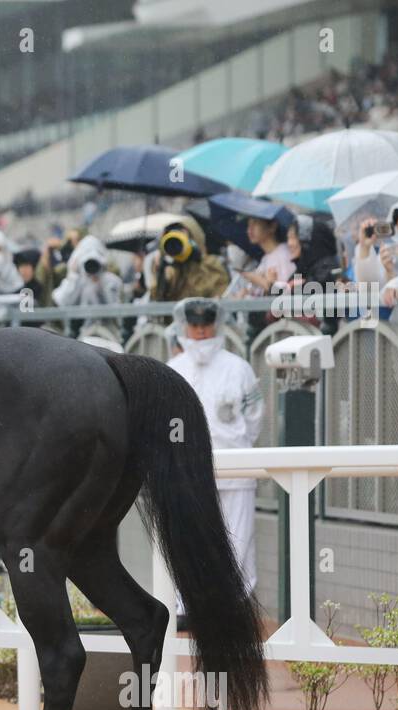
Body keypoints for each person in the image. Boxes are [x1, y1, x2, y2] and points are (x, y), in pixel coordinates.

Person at [165, 298, 263, 623]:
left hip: (235, 468)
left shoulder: (239, 368)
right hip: (187, 472)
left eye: (206, 324)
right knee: (188, 540)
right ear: (185, 326)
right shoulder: (173, 370)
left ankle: (235, 608)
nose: (201, 330)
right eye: (195, 325)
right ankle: (186, 607)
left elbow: (254, 419)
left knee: (239, 542)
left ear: (216, 324)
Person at [149, 215, 229, 301]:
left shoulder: (210, 264)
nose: (177, 244)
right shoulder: (169, 268)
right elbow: (156, 299)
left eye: (182, 234)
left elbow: (216, 293)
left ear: (194, 238)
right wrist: (162, 276)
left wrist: (195, 261)